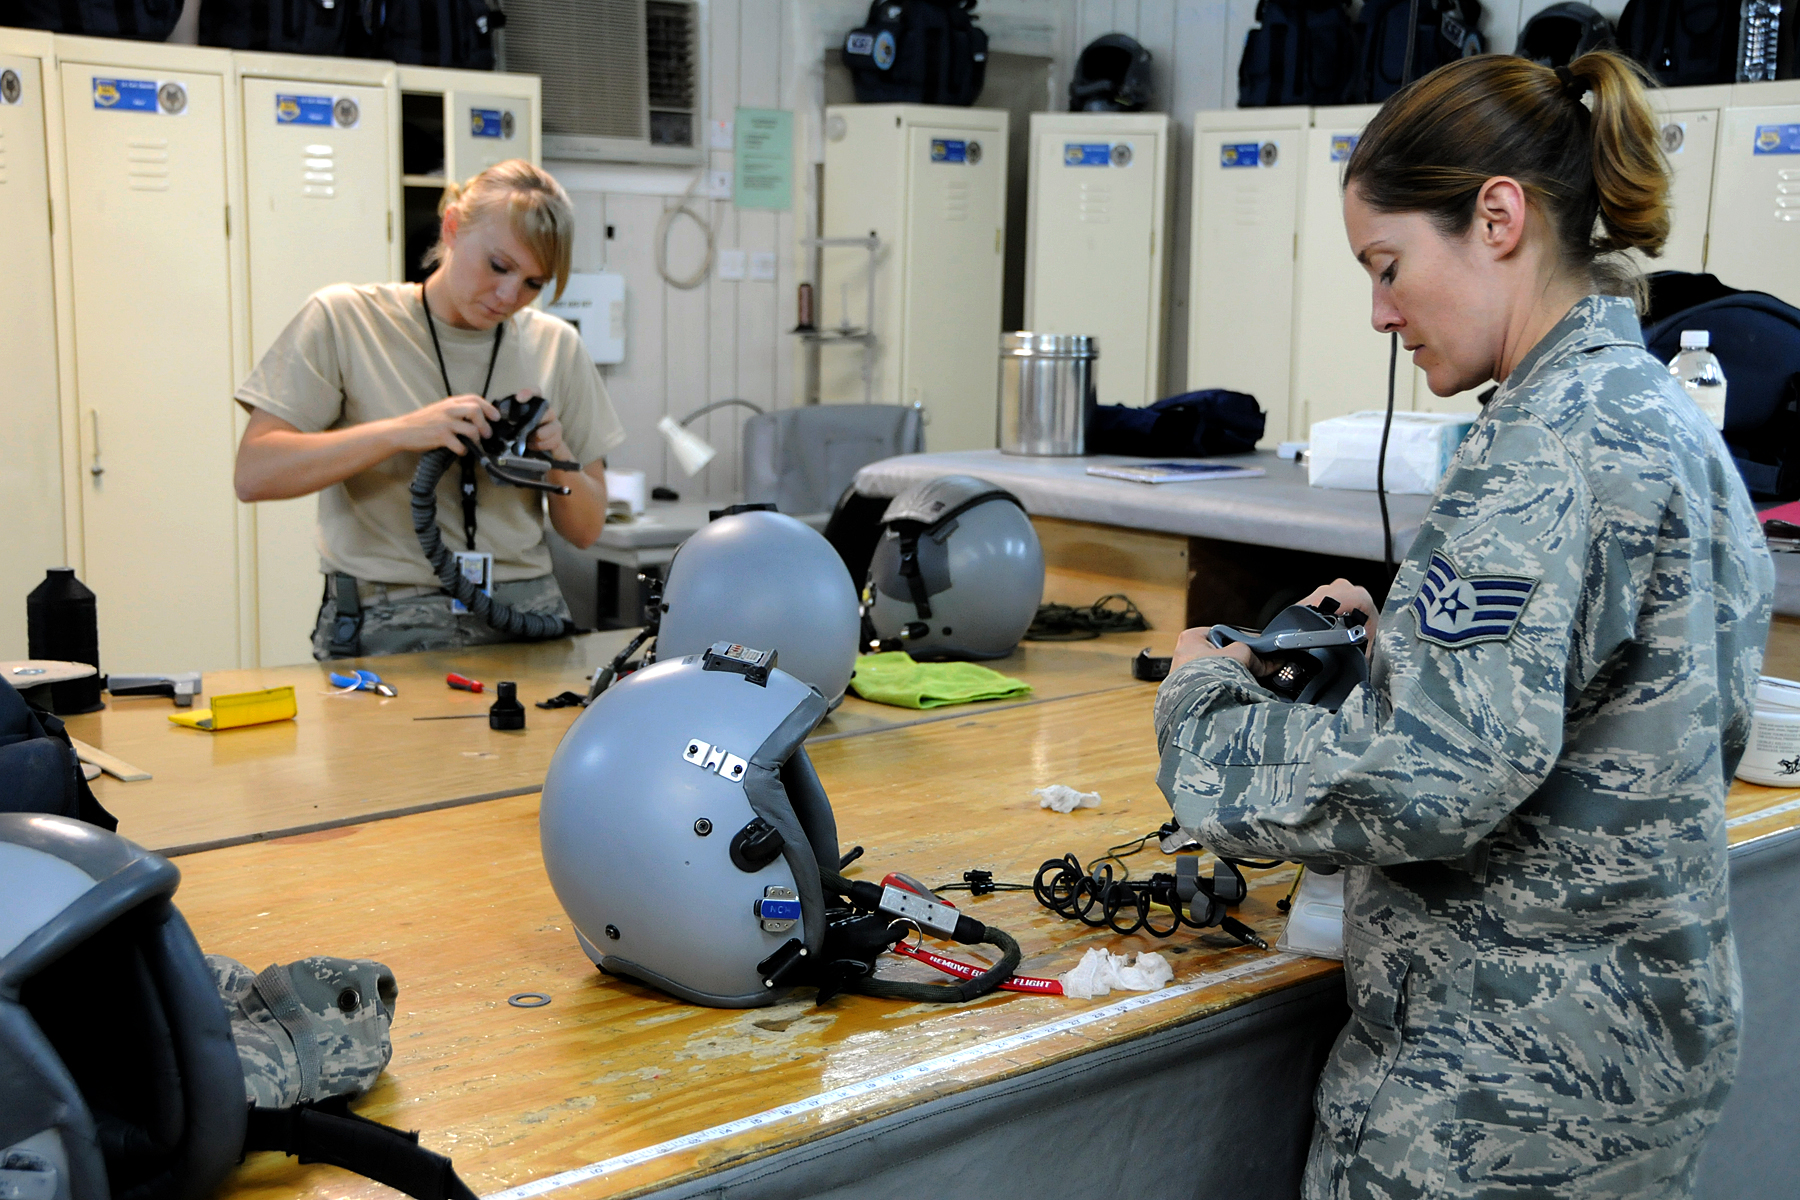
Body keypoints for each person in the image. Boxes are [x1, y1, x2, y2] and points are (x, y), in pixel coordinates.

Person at [1156, 51, 1773, 1199]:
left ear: (1498, 216)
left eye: (1389, 266)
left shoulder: (1540, 449)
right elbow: (1633, 702)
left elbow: (1423, 784)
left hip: (1489, 1095)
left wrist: (1204, 708)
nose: (1382, 313)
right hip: (1633, 1052)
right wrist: (1413, 647)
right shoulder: (1655, 412)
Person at [233, 159, 622, 659]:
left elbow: (587, 531)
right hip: (387, 616)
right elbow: (255, 473)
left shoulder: (556, 347)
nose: (509, 296)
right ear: (453, 227)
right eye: (499, 266)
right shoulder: (347, 319)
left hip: (525, 615)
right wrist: (400, 432)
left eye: (533, 284)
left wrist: (558, 456)